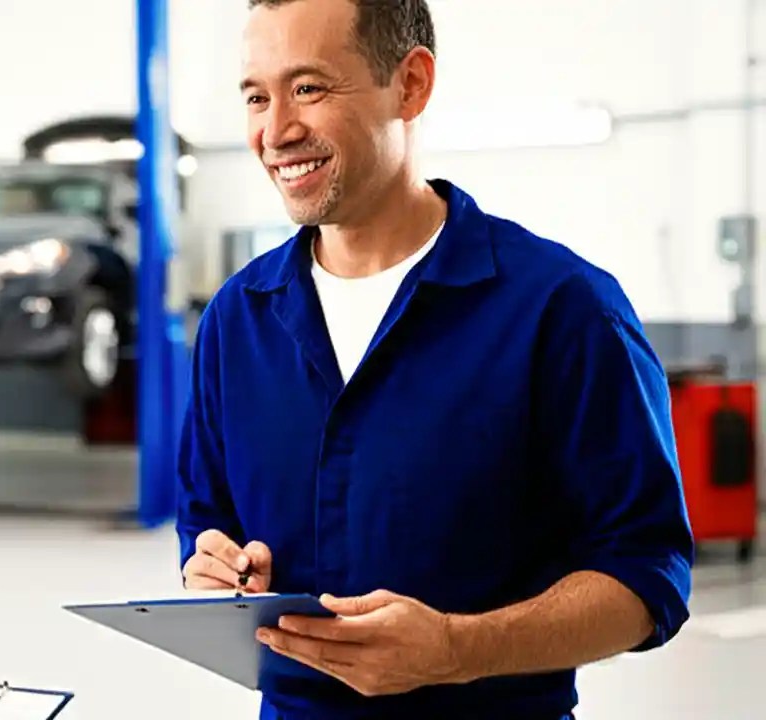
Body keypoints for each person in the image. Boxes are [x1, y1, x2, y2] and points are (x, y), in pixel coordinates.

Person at [176, 1, 694, 718]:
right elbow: (208, 525)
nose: (275, 131)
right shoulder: (238, 318)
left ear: (411, 84)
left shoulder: (560, 309)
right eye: (257, 96)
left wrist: (460, 648)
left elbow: (648, 576)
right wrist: (215, 569)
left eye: (309, 88)